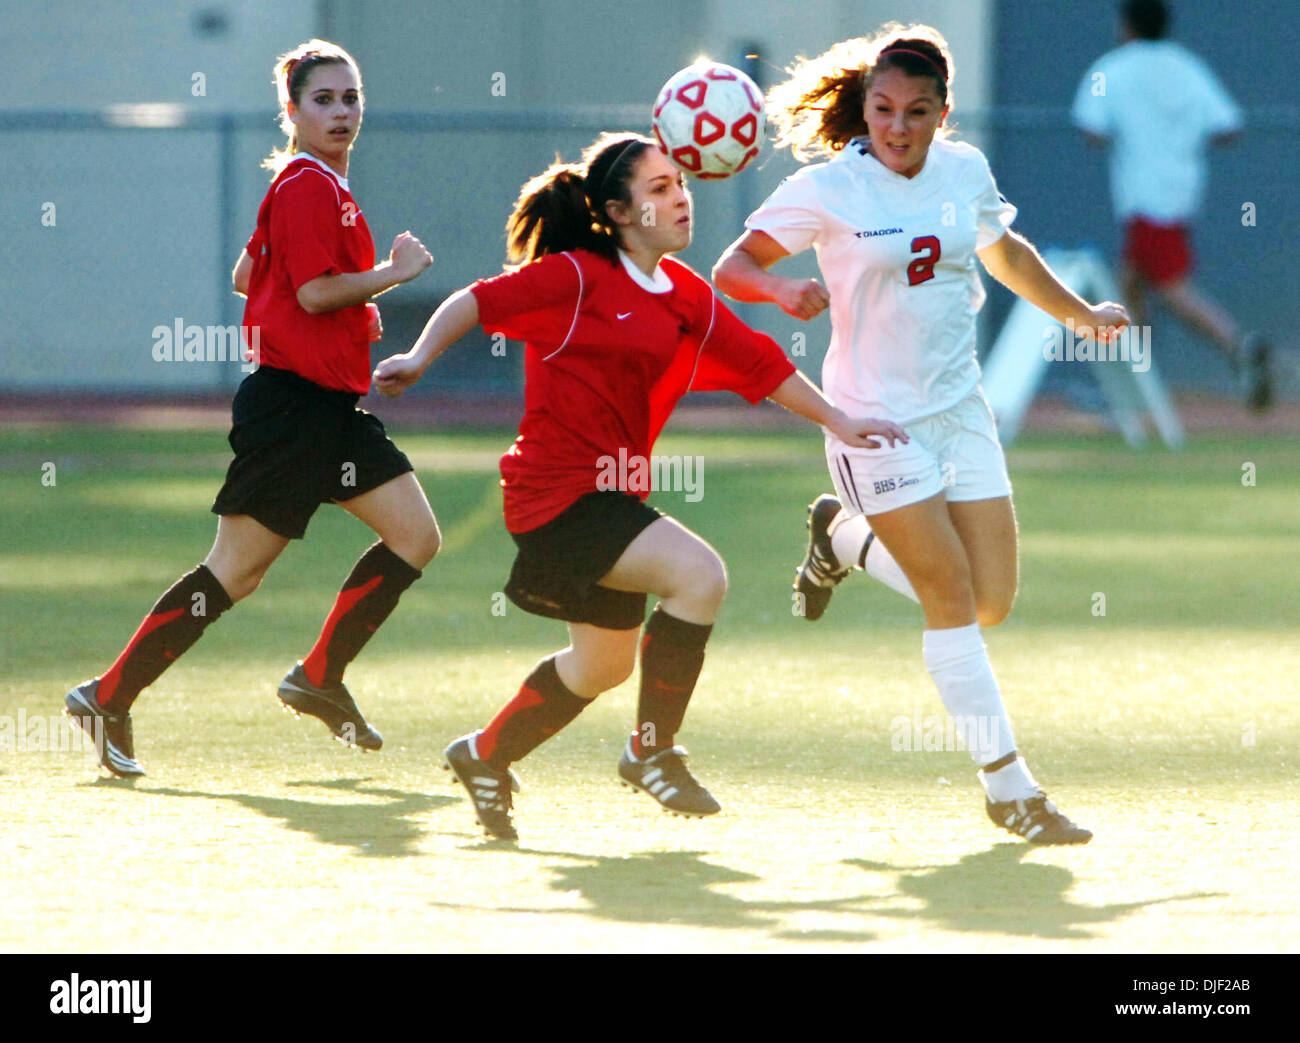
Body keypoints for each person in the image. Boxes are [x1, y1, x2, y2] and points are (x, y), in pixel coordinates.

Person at [374, 132, 906, 840]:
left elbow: (760, 363)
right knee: (701, 576)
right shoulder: (577, 276)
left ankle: (484, 753)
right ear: (620, 213)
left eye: (681, 182)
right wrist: (415, 355)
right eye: (659, 189)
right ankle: (651, 751)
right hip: (555, 498)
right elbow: (475, 301)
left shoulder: (685, 293)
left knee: (601, 667)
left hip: (610, 498)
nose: (681, 197)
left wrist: (840, 420)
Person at [714, 23, 1125, 844]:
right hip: (875, 423)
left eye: (915, 111)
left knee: (991, 600)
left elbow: (1001, 252)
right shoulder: (832, 187)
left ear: (944, 115)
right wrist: (779, 292)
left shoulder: (964, 171)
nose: (895, 128)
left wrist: (1079, 315)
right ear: (865, 108)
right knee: (949, 599)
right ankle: (1011, 788)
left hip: (960, 412)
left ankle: (841, 536)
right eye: (882, 109)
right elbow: (732, 269)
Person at [65, 40, 438, 776]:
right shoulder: (307, 185)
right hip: (291, 411)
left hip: (329, 407)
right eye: (323, 100)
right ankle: (107, 694)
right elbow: (306, 293)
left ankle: (319, 678)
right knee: (234, 572)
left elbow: (249, 275)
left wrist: (345, 326)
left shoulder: (316, 183)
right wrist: (392, 276)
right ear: (292, 112)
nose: (340, 111)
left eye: (350, 97)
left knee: (415, 537)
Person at [1072, 0, 1272, 411]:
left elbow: (1091, 129)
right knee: (1130, 284)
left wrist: (1137, 131)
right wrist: (1179, 134)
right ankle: (1137, 387)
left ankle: (1238, 345)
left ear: (1126, 25)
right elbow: (1228, 127)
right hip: (1181, 192)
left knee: (1167, 286)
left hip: (1143, 197)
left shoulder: (1113, 68)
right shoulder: (1187, 67)